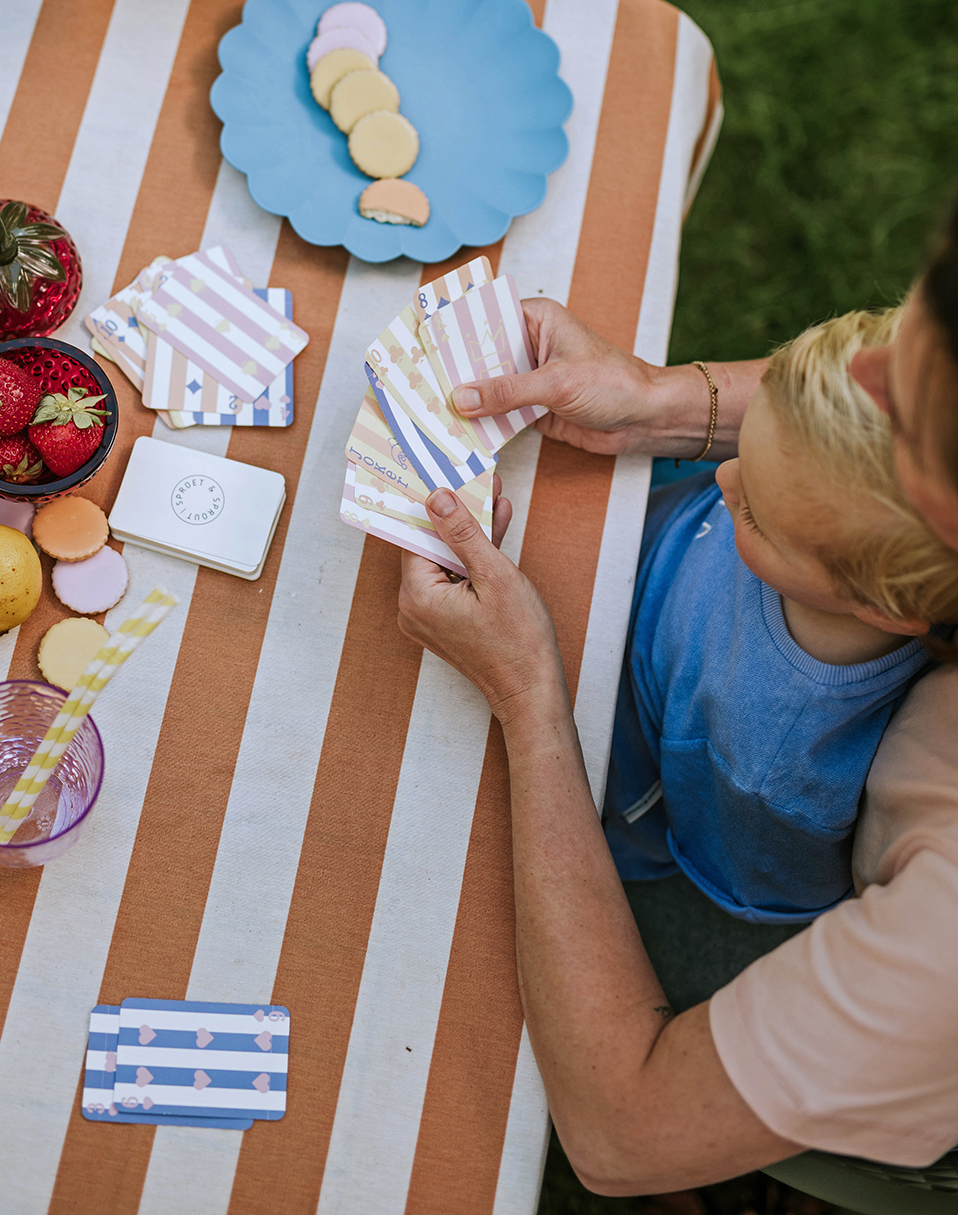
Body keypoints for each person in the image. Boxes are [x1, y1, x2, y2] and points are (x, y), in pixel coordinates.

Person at [396, 199, 958, 1192]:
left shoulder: (770, 753)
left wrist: (534, 702)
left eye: (911, 398)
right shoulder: (830, 522)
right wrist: (664, 401)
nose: (724, 472)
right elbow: (839, 449)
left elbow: (627, 1121)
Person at [605, 307, 958, 927]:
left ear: (884, 607)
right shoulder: (827, 527)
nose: (721, 474)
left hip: (610, 728)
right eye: (747, 444)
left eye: (758, 515)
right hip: (640, 548)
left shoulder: (767, 773)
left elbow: (755, 881)